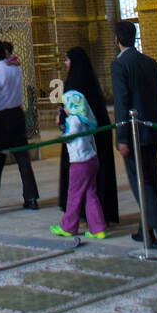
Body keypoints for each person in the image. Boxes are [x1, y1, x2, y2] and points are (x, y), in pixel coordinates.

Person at [111, 20, 157, 248]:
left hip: (132, 134)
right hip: (149, 130)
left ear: (117, 40)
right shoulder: (149, 62)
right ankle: (146, 229)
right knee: (150, 180)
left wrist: (121, 137)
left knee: (141, 184)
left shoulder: (119, 65)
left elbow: (122, 102)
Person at [0, 39, 39, 211]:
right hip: (18, 116)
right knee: (23, 158)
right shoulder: (15, 68)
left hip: (2, 119)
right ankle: (31, 197)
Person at [58, 46, 119, 224]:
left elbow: (70, 114)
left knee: (77, 185)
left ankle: (71, 222)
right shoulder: (90, 82)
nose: (65, 63)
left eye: (68, 60)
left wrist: (62, 118)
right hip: (94, 142)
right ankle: (97, 221)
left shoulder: (73, 85)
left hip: (80, 144)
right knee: (92, 187)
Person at [50, 90, 105, 239]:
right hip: (92, 160)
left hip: (80, 163)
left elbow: (71, 136)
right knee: (91, 194)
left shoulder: (73, 120)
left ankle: (68, 227)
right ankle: (97, 228)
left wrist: (60, 136)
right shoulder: (86, 118)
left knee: (74, 195)